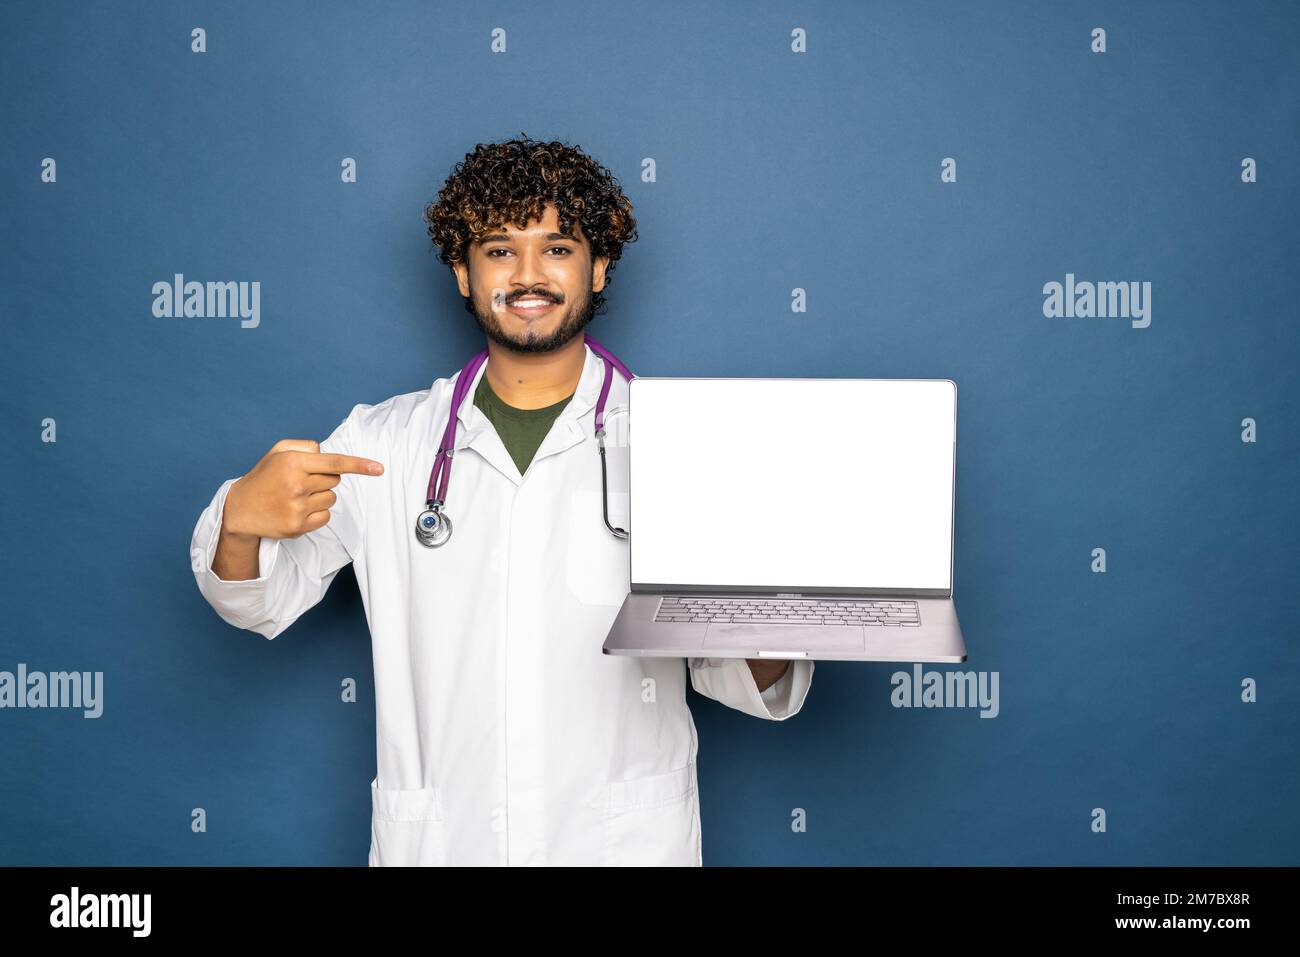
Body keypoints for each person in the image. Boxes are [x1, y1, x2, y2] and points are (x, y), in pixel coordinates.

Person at [189, 135, 814, 866]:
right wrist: (239, 521)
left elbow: (745, 680)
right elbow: (257, 600)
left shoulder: (679, 445)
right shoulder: (384, 441)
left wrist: (770, 606)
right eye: (497, 249)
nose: (527, 274)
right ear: (462, 271)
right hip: (446, 844)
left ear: (599, 265)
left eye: (557, 248)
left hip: (621, 846)